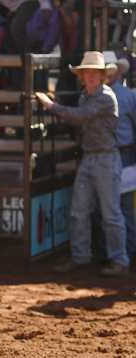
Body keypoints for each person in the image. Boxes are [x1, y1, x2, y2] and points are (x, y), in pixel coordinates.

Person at [36, 51, 130, 277]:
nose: (89, 76)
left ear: (101, 76)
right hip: (93, 157)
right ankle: (83, 256)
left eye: (93, 73)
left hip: (105, 158)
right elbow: (79, 117)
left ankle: (118, 260)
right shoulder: (86, 97)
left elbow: (80, 117)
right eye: (87, 72)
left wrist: (50, 106)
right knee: (80, 210)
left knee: (110, 214)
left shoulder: (105, 97)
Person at [93, 55, 136, 262]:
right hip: (118, 152)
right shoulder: (127, 95)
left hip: (121, 153)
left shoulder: (125, 96)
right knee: (117, 207)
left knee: (115, 206)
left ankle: (117, 253)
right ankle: (123, 252)